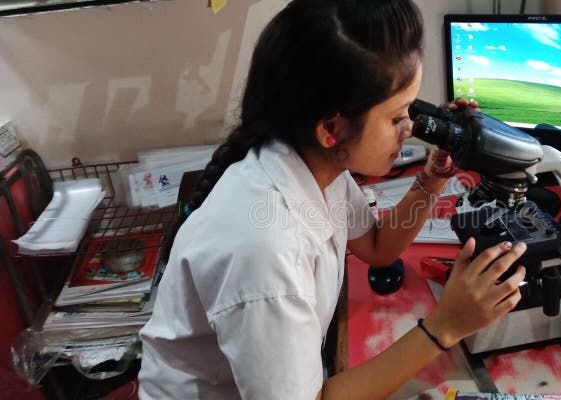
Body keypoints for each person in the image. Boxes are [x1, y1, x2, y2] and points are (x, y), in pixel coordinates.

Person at [137, 0, 527, 398]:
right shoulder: (266, 254)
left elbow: (377, 247)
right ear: (331, 129)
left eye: (411, 111)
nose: (410, 129)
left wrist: (433, 176)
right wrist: (446, 325)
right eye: (396, 117)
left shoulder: (310, 163)